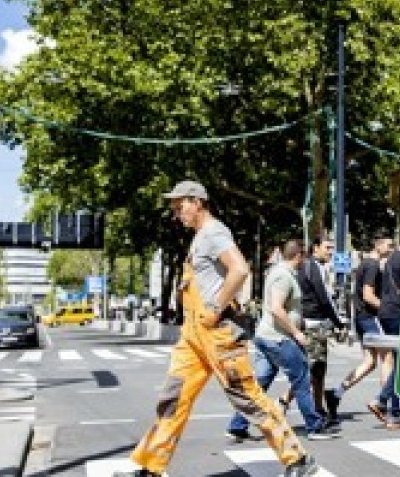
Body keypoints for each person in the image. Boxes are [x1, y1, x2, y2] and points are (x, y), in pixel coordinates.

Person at [118, 181, 317, 477]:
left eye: (180, 204)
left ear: (197, 202)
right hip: (193, 337)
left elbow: (239, 269)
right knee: (173, 398)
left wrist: (214, 308)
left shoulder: (214, 232)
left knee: (247, 398)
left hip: (219, 333)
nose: (177, 212)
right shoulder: (200, 236)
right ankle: (151, 466)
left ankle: (297, 459)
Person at [226, 240, 339, 443]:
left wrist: (301, 323)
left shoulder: (279, 273)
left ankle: (238, 425)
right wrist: (296, 332)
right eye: (303, 257)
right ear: (298, 256)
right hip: (278, 339)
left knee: (259, 385)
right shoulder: (283, 276)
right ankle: (314, 426)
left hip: (267, 337)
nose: (304, 262)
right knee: (302, 381)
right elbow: (277, 309)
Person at [323, 237, 393, 422]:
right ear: (377, 245)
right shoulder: (372, 265)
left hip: (361, 318)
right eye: (389, 244)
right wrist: (387, 309)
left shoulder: (365, 264)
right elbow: (368, 295)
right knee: (388, 358)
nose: (392, 248)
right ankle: (384, 404)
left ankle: (336, 393)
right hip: (370, 317)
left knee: (370, 363)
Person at [298, 236, 345, 428]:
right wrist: (339, 323)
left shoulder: (312, 266)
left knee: (317, 370)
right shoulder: (314, 267)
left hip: (314, 323)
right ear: (315, 248)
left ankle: (319, 408)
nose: (330, 251)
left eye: (332, 248)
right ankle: (295, 405)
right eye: (327, 247)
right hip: (313, 324)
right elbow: (324, 298)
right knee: (314, 369)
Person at [368, 236, 400, 429]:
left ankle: (394, 409)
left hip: (385, 312)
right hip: (396, 312)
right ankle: (383, 400)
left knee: (398, 359)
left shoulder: (392, 258)